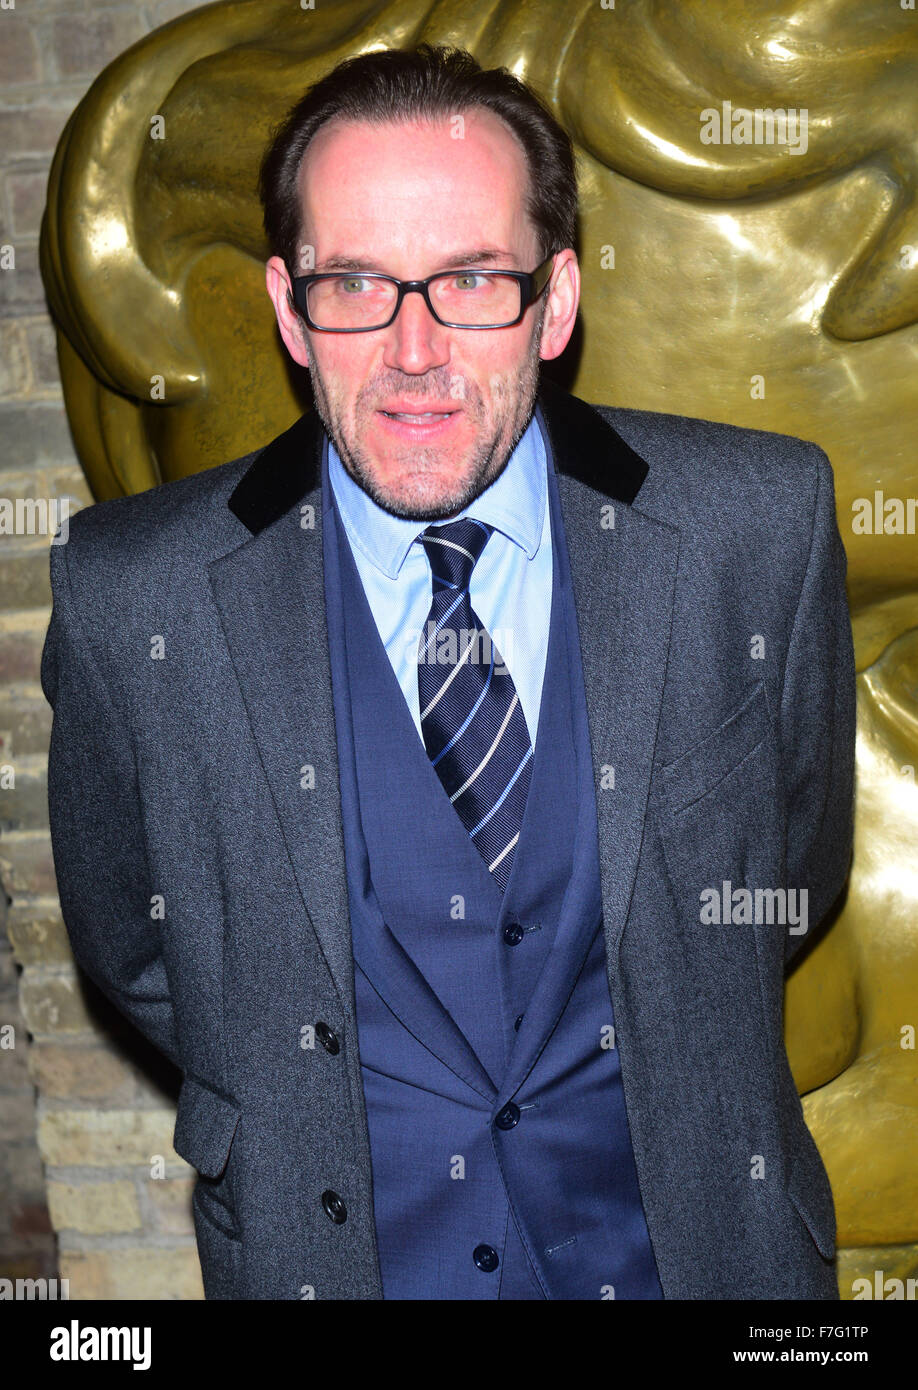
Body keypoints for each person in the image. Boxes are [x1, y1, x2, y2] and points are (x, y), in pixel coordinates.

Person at [41, 44, 855, 1300]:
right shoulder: (135, 592)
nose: (414, 349)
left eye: (472, 279)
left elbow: (793, 870)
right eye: (357, 282)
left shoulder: (755, 524)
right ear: (287, 307)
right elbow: (140, 949)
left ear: (557, 298)